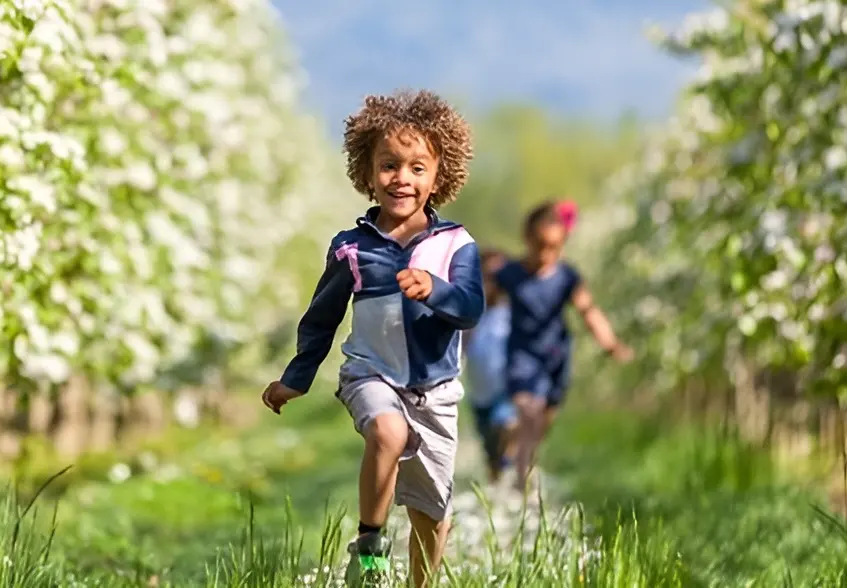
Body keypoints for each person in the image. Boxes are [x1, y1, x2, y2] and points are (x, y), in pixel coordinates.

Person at [261, 89, 481, 588]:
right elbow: (321, 318)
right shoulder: (351, 249)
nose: (402, 177)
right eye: (388, 165)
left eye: (417, 167)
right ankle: (370, 545)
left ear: (438, 177)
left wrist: (436, 290)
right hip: (371, 373)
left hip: (435, 390)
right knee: (387, 432)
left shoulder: (455, 245)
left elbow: (470, 309)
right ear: (367, 172)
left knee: (431, 508)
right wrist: (295, 379)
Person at [488, 199, 633, 494]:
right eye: (540, 245)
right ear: (527, 238)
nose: (546, 254)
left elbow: (589, 311)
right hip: (521, 357)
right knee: (530, 411)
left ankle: (509, 437)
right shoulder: (511, 274)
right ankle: (522, 482)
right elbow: (482, 301)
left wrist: (611, 344)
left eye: (554, 247)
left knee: (541, 423)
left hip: (555, 359)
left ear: (563, 243)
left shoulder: (567, 277)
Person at [462, 247, 518, 485]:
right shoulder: (473, 312)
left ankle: (516, 469)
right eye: (486, 276)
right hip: (480, 392)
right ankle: (497, 488)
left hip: (508, 388)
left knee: (507, 424)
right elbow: (462, 345)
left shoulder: (513, 311)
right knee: (491, 450)